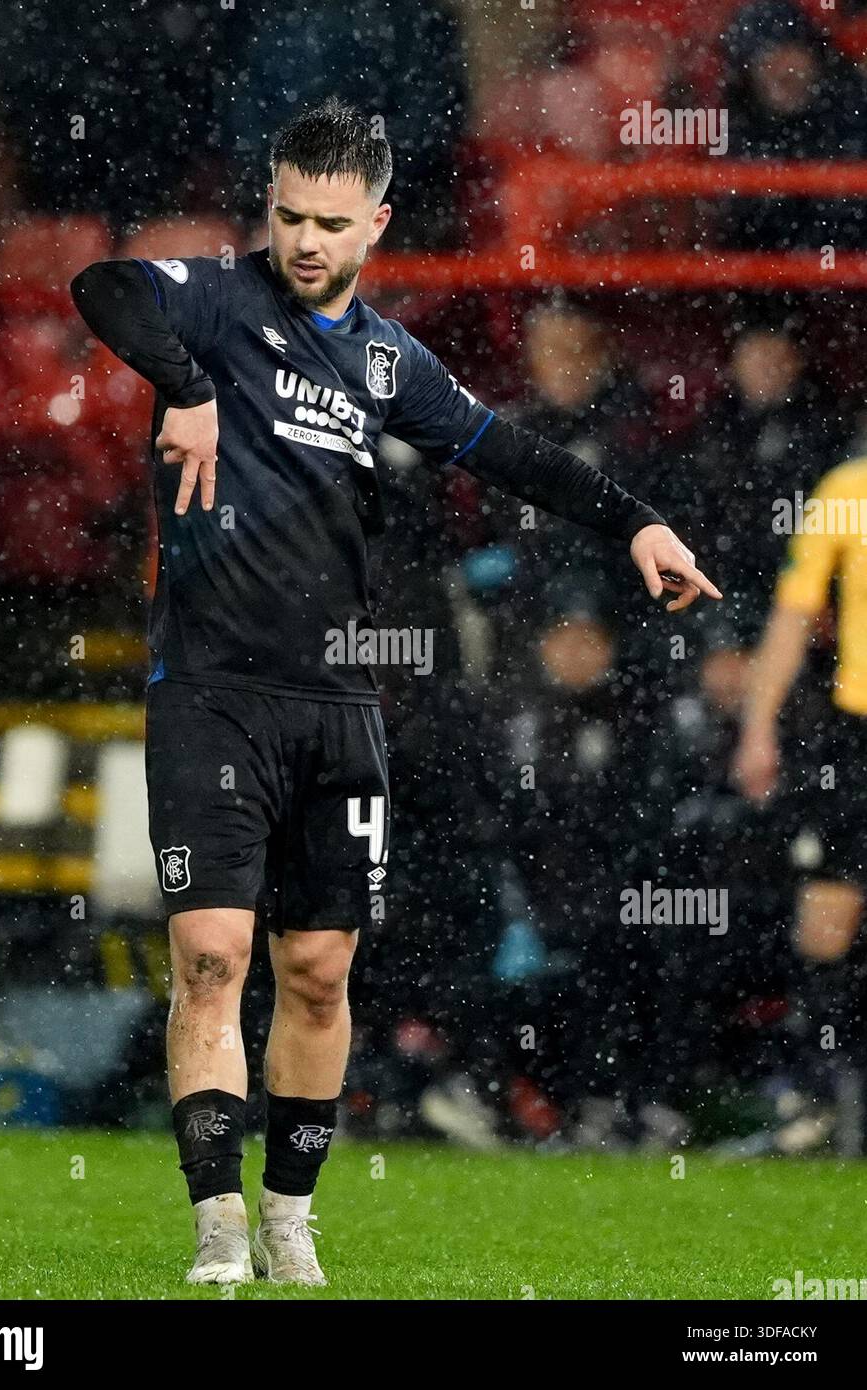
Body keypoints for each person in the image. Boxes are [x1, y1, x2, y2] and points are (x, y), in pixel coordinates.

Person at [70, 97, 720, 1288]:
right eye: (286, 214)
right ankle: (216, 1231)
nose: (304, 241)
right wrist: (184, 383)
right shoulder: (213, 301)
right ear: (267, 201)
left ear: (377, 222)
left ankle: (290, 1217)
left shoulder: (387, 359)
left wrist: (637, 524)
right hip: (209, 691)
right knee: (212, 959)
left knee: (318, 973)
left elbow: (507, 450)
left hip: (341, 705)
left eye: (329, 222)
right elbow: (102, 286)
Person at [733, 454, 867, 1147]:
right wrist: (758, 725)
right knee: (823, 922)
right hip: (856, 732)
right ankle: (814, 1103)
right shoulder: (846, 489)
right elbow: (792, 615)